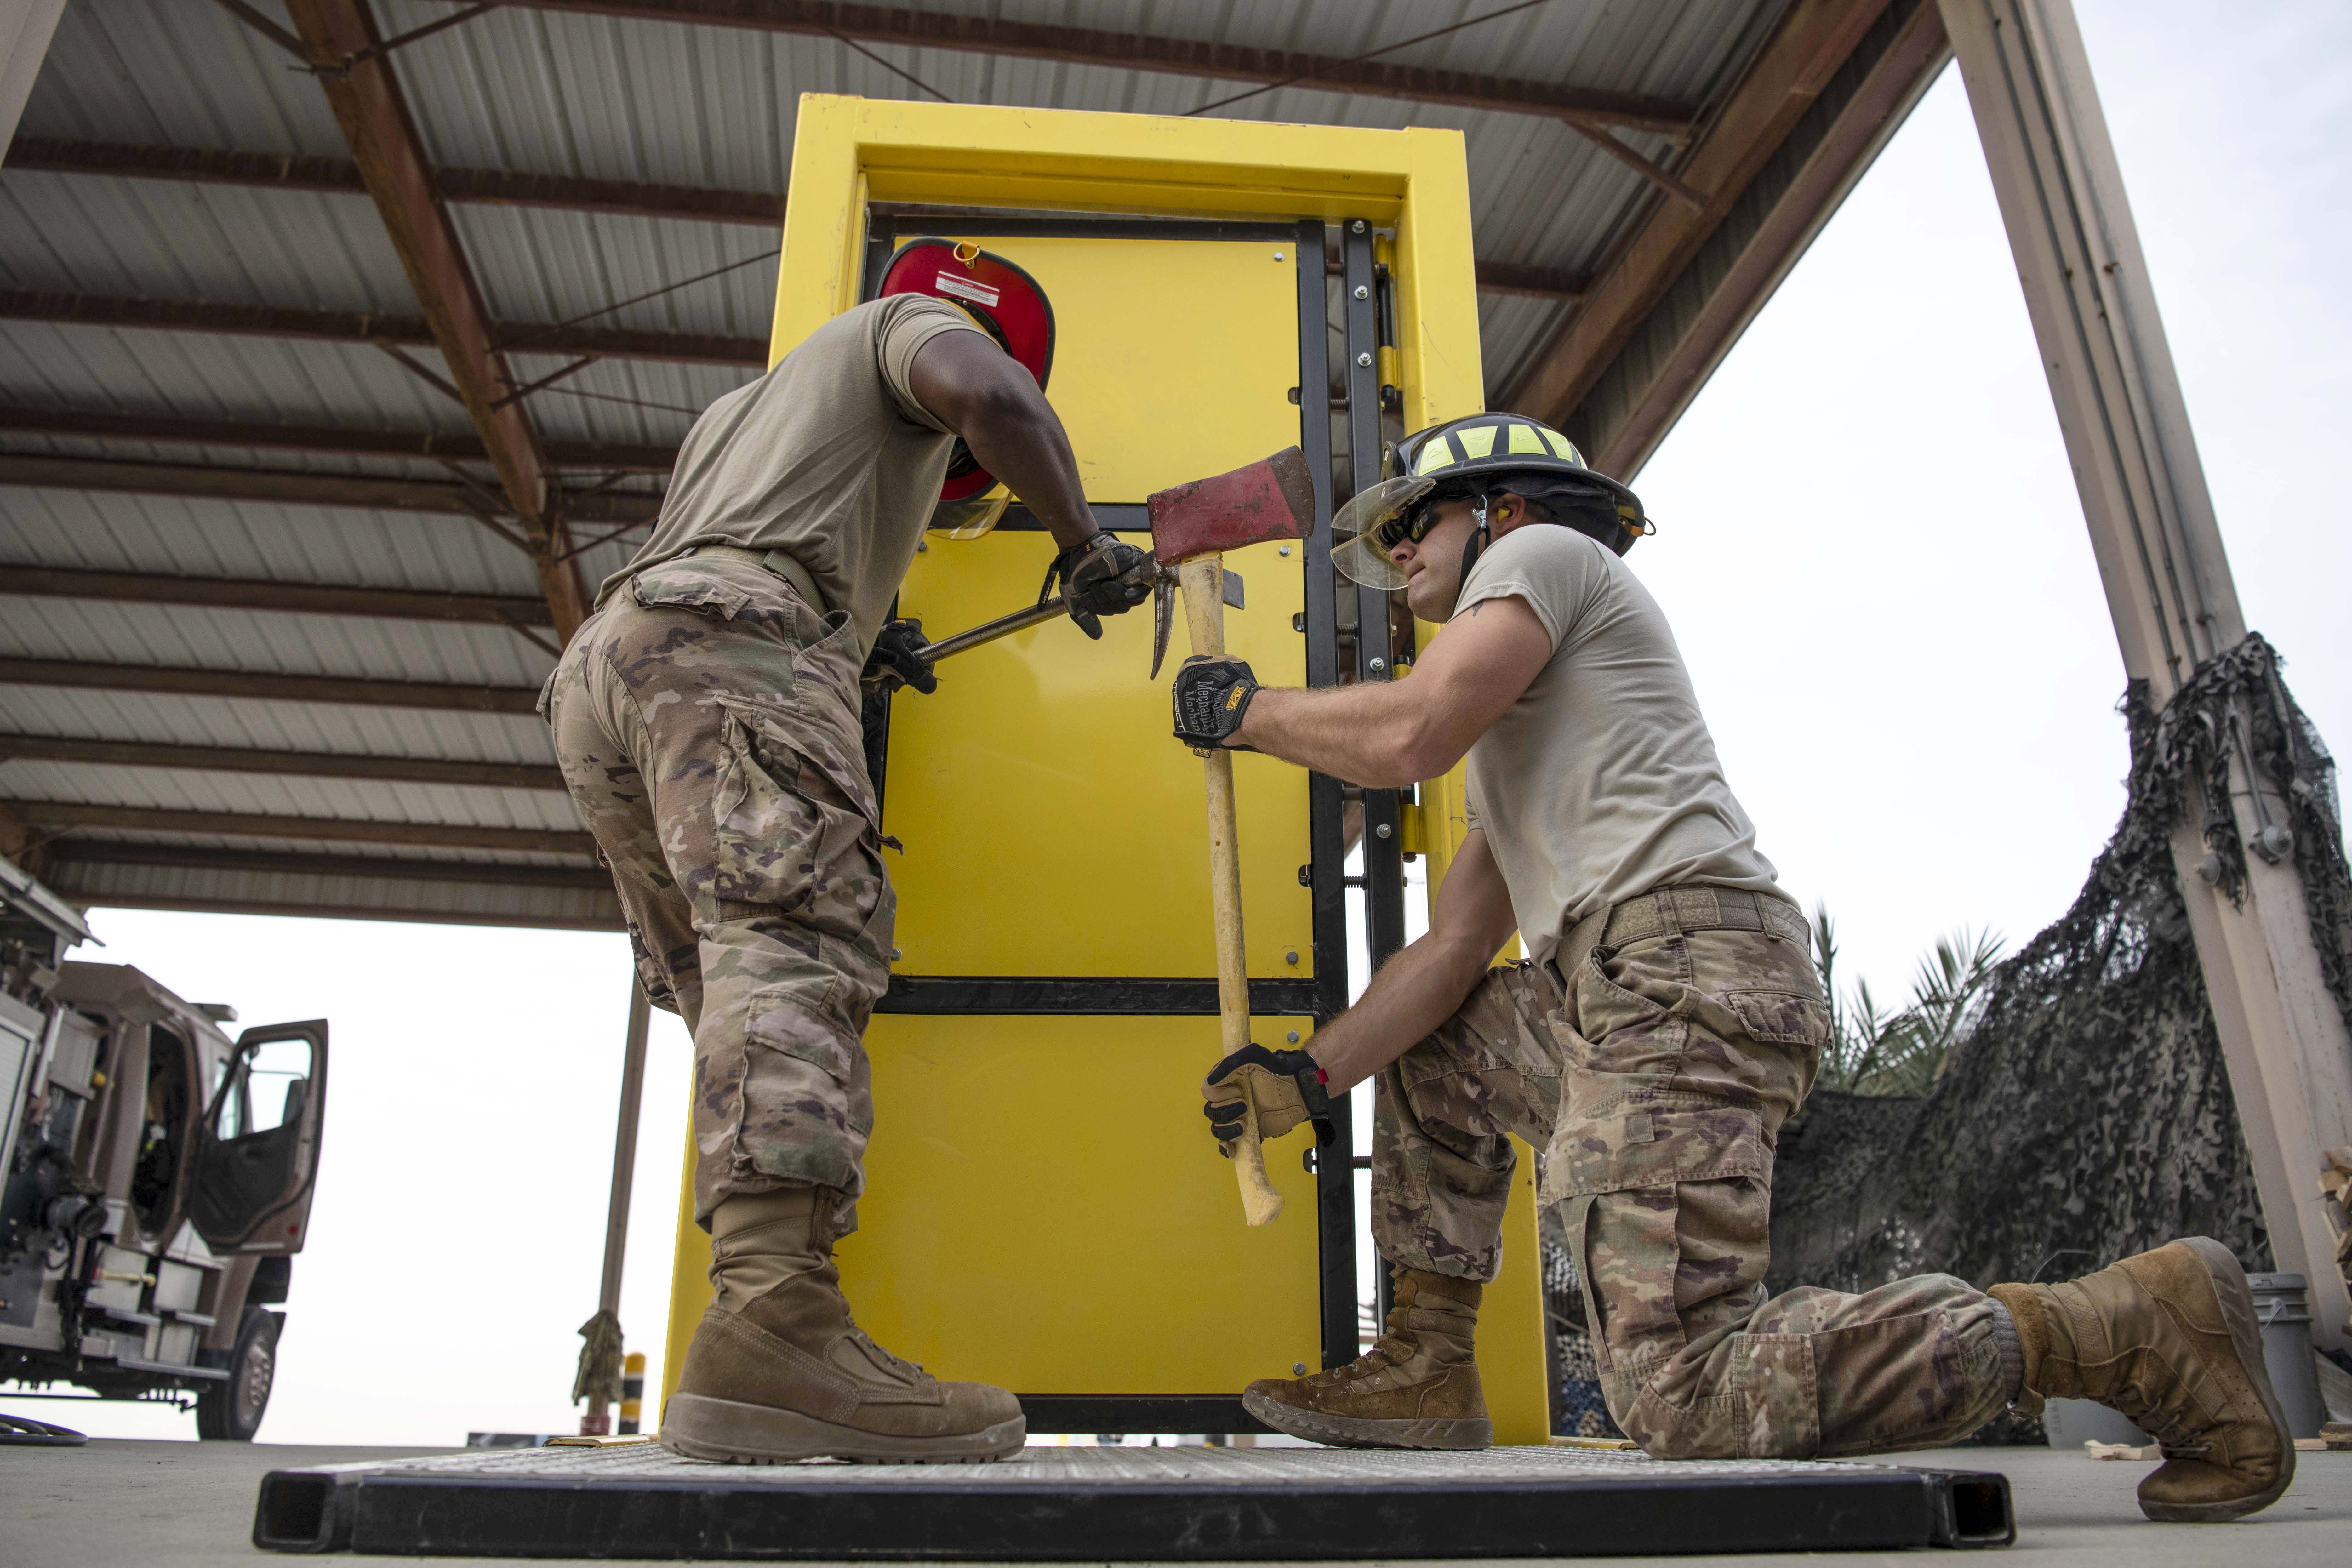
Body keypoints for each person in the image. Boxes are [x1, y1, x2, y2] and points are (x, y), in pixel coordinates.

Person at [1172, 412, 2295, 1522]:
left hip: (1681, 976)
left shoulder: (1537, 555)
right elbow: (1452, 950)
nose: (1401, 550)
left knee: (1683, 1393)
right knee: (1444, 1045)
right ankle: (1426, 1361)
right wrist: (1310, 1078)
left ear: (1500, 510)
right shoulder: (1542, 743)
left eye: (1418, 519)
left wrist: (1248, 712)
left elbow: (1411, 733)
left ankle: (2116, 1321)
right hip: (1624, 989)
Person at [544, 242, 1150, 1465]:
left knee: (728, 989)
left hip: (606, 668)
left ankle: (752, 1312)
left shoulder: (739, 417)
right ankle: (777, 1325)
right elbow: (999, 400)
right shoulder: (914, 321)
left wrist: (861, 645)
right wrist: (1080, 542)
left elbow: (751, 546)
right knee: (791, 961)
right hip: (736, 640)